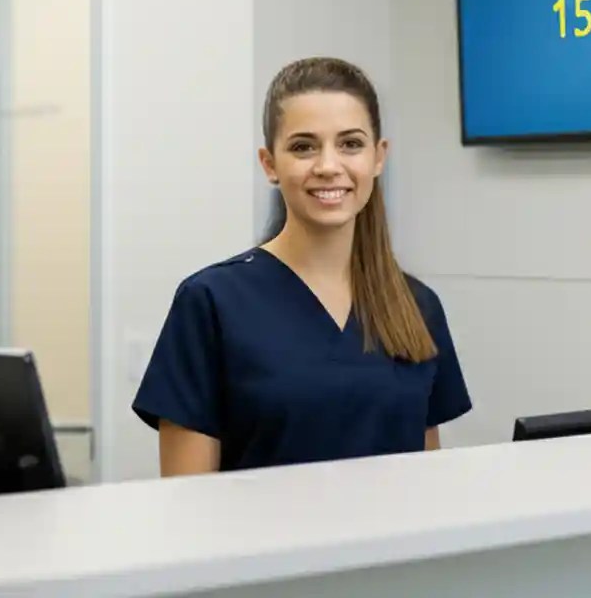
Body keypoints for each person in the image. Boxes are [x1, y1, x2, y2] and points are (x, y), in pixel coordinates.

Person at [132, 56, 472, 476]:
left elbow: (429, 483)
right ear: (269, 163)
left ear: (378, 157)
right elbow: (186, 504)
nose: (329, 167)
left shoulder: (417, 307)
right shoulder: (212, 303)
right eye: (303, 147)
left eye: (350, 144)